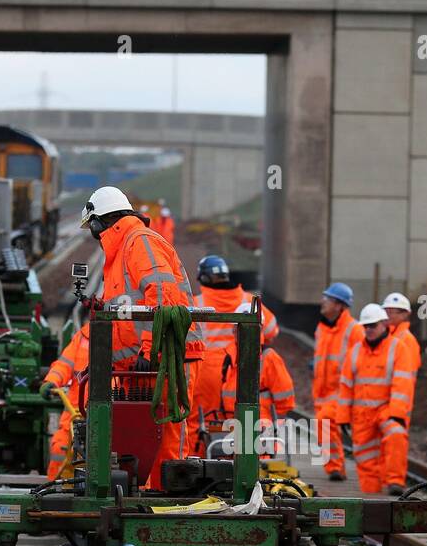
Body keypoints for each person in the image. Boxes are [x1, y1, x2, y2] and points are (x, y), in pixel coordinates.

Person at [82, 186, 202, 479]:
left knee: (165, 435)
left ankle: (164, 507)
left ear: (101, 222)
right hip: (145, 364)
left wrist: (150, 349)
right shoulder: (122, 249)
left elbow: (162, 294)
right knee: (143, 436)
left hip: (166, 357)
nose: (94, 235)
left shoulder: (140, 242)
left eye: (93, 228)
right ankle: (148, 500)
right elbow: (129, 312)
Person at [190, 255, 281, 452]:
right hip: (240, 368)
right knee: (237, 422)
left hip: (205, 373)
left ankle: (199, 465)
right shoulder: (248, 300)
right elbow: (272, 330)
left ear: (203, 279)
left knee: (200, 424)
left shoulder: (196, 303)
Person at [335, 304, 410, 495]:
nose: (368, 329)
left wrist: (398, 414)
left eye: (372, 325)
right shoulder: (355, 352)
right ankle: (371, 495)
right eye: (365, 326)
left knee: (396, 435)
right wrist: (342, 417)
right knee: (364, 458)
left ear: (384, 324)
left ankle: (395, 482)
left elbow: (402, 384)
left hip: (386, 411)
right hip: (362, 416)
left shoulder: (397, 349)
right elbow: (345, 386)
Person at [312, 282, 360, 482]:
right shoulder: (322, 328)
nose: (323, 302)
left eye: (328, 299)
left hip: (342, 393)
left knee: (326, 421)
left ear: (340, 305)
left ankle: (336, 467)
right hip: (323, 392)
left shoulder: (354, 330)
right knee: (324, 424)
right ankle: (335, 467)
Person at [379, 292, 421, 495]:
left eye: (391, 312)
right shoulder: (391, 337)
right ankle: (386, 478)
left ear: (404, 314)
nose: (387, 315)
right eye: (385, 311)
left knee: (396, 440)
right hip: (388, 400)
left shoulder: (406, 340)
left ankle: (395, 480)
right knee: (386, 442)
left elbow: (405, 377)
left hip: (398, 402)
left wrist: (397, 407)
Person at [39, 323, 90, 478]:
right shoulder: (83, 336)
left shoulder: (123, 339)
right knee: (59, 449)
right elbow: (64, 365)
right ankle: (53, 495)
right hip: (74, 416)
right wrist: (51, 382)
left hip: (105, 416)